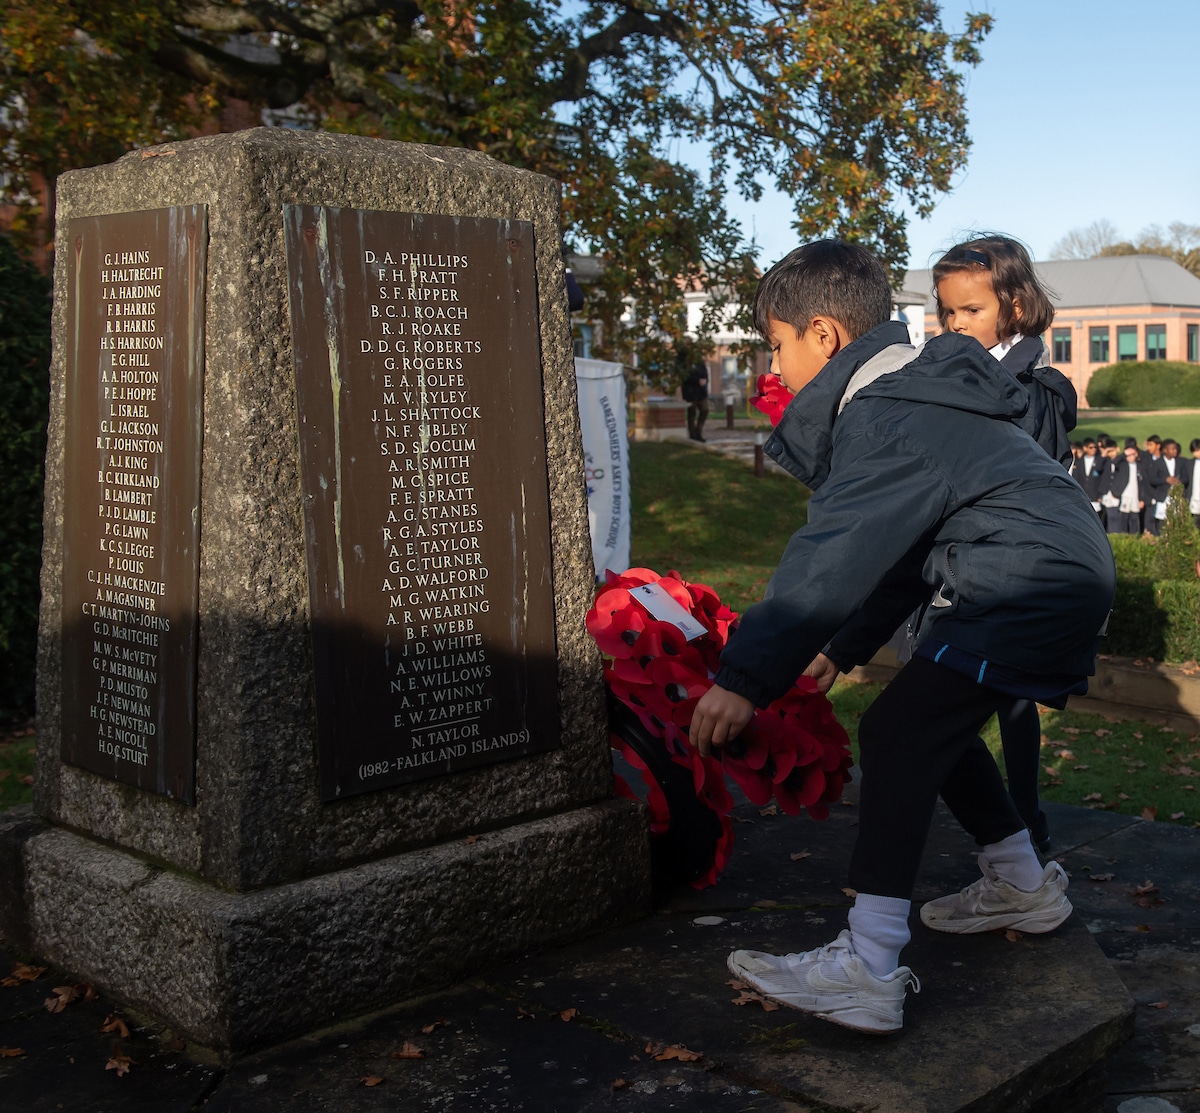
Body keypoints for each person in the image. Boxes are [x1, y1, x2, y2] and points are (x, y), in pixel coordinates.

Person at [688, 240, 1115, 1035]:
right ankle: (1022, 882)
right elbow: (900, 555)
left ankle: (870, 961)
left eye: (777, 345)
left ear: (823, 334)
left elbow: (831, 554)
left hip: (1029, 579)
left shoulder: (886, 409)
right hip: (1052, 572)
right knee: (934, 723)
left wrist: (744, 677)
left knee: (899, 727)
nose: (774, 370)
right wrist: (842, 646)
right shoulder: (905, 394)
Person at [1141, 435, 1168, 535]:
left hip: (1163, 496)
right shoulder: (1145, 459)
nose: (1149, 448)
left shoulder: (1165, 459)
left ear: (1158, 445)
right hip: (1149, 495)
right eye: (1148, 445)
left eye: (1151, 445)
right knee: (1149, 520)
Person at [681, 363, 710, 442]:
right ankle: (692, 434)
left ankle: (698, 431)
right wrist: (697, 380)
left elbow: (705, 374)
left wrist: (705, 381)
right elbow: (685, 376)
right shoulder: (684, 361)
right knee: (692, 412)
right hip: (690, 391)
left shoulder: (700, 362)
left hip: (701, 392)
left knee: (705, 409)